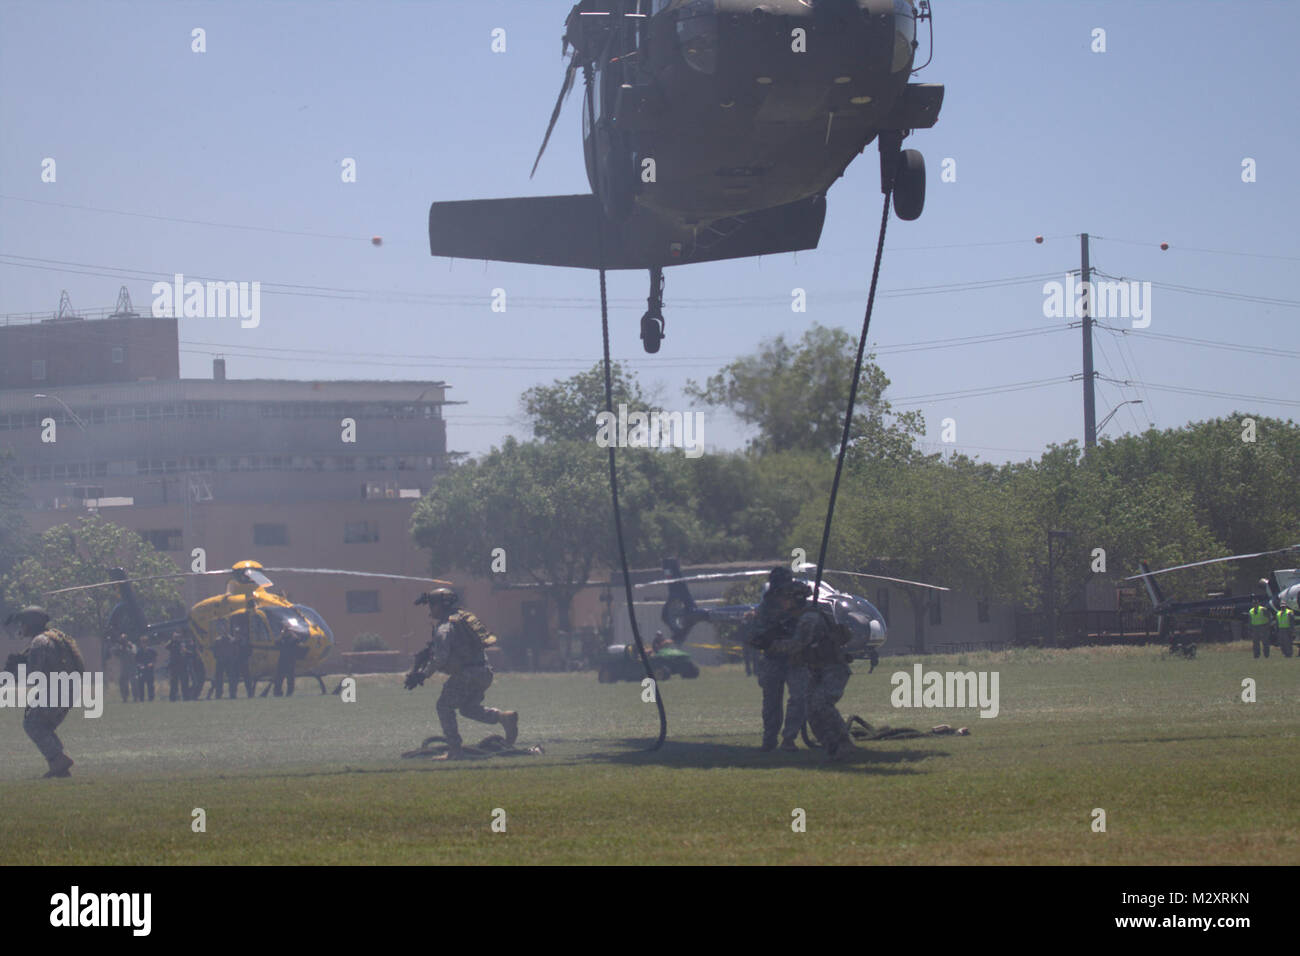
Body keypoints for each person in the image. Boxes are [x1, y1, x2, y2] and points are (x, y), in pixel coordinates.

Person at [407, 588, 517, 759]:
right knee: (467, 708)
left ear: (440, 606)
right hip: (484, 672)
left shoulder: (445, 627)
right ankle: (503, 717)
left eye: (432, 605)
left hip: (467, 674)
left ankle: (455, 750)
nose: (430, 609)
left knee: (443, 706)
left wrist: (423, 674)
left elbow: (441, 657)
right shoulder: (461, 619)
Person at [767, 601, 856, 762]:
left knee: (822, 704)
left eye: (786, 600)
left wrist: (770, 645)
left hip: (833, 669)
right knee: (811, 711)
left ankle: (844, 742)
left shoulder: (809, 619)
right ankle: (832, 748)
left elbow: (797, 644)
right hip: (817, 671)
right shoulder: (800, 617)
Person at [3, 607, 82, 778]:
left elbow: (33, 675)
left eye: (23, 623)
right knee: (41, 724)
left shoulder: (39, 641)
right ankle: (58, 762)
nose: (21, 627)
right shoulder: (53, 636)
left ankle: (58, 759)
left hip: (58, 689)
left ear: (31, 624)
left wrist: (11, 675)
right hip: (67, 688)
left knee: (33, 724)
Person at [745, 567, 811, 752]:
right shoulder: (766, 605)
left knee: (799, 698)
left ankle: (789, 738)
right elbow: (758, 633)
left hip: (795, 657)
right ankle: (769, 739)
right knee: (771, 701)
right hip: (773, 657)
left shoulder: (799, 597)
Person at [272, 625, 304, 696]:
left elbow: (300, 645)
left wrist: (294, 636)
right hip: (282, 661)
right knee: (279, 678)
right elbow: (275, 643)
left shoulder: (294, 639)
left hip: (290, 661)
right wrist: (281, 636)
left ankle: (289, 693)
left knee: (290, 678)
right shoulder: (282, 639)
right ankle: (277, 692)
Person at [210, 622, 235, 699]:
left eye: (225, 630)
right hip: (220, 661)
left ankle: (232, 694)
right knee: (219, 679)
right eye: (223, 630)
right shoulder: (217, 640)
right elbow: (214, 650)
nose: (224, 631)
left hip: (229, 661)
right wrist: (217, 657)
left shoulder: (231, 640)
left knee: (231, 678)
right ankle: (218, 694)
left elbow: (234, 650)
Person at [164, 633, 187, 701]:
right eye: (175, 637)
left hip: (181, 665)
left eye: (178, 637)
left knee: (184, 682)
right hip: (174, 666)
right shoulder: (171, 644)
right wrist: (171, 641)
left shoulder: (181, 644)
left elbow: (184, 650)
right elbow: (166, 647)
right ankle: (173, 698)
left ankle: (185, 697)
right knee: (174, 683)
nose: (177, 638)